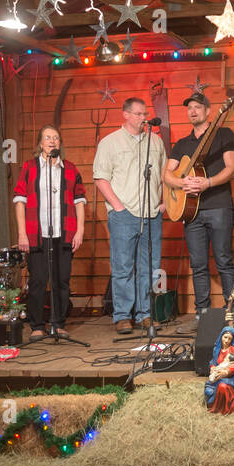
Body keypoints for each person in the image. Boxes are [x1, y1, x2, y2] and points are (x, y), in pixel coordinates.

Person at [164, 92, 234, 333]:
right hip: (191, 212)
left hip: (218, 207)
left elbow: (231, 167)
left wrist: (207, 183)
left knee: (224, 262)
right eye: (189, 108)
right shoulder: (182, 144)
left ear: (208, 111)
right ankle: (202, 316)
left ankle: (233, 316)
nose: (193, 111)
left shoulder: (223, 134)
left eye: (198, 107)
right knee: (198, 265)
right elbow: (167, 173)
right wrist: (181, 184)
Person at [93, 98, 166, 334]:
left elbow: (166, 174)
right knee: (123, 266)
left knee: (151, 266)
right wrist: (117, 206)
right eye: (137, 114)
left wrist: (164, 202)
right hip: (124, 213)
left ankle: (145, 314)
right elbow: (100, 178)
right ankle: (123, 316)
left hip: (152, 213)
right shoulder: (110, 142)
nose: (142, 118)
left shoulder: (155, 141)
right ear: (125, 114)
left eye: (144, 114)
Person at [13, 126, 86, 340]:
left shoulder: (70, 169)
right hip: (37, 233)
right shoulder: (29, 167)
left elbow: (79, 201)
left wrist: (79, 230)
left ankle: (58, 322)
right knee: (38, 280)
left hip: (64, 233)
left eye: (56, 138)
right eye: (47, 137)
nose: (52, 141)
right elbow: (20, 201)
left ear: (60, 143)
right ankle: (37, 325)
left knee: (61, 280)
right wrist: (22, 233)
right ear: (40, 143)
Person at [205, 326, 234, 415]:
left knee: (222, 386)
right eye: (225, 337)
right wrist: (212, 368)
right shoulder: (216, 349)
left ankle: (226, 410)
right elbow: (213, 361)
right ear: (221, 336)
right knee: (209, 389)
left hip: (230, 378)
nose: (226, 341)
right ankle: (214, 407)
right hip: (217, 375)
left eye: (229, 339)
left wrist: (225, 372)